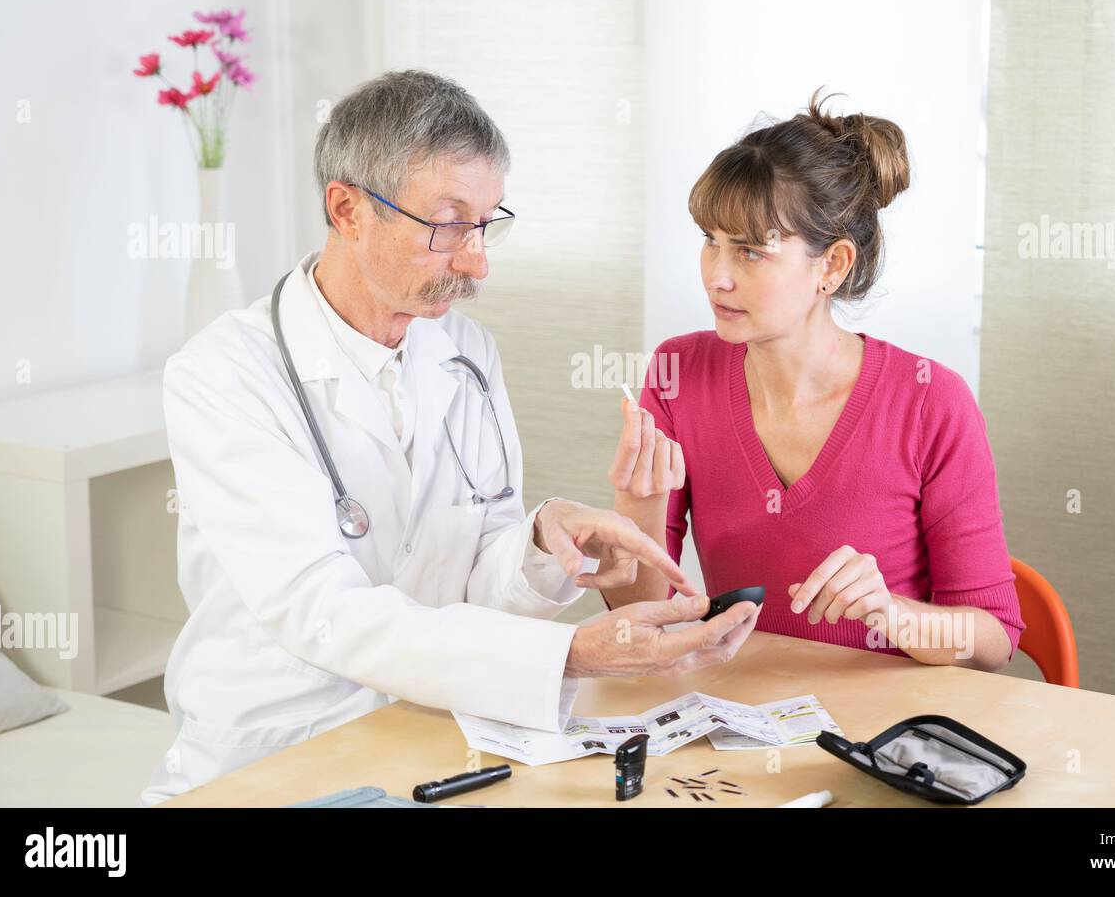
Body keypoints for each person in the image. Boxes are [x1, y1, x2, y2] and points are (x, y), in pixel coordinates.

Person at [140, 70, 759, 805]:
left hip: (431, 734)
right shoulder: (225, 375)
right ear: (348, 209)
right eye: (448, 224)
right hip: (278, 751)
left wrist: (538, 540)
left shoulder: (466, 355)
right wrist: (568, 656)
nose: (477, 261)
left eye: (487, 223)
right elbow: (321, 610)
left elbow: (479, 577)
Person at [605, 89, 1023, 672]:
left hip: (882, 731)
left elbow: (994, 641)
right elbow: (640, 616)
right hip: (745, 716)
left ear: (832, 265)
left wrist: (891, 612)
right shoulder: (679, 374)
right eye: (710, 242)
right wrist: (638, 509)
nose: (717, 278)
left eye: (750, 252)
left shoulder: (932, 401)